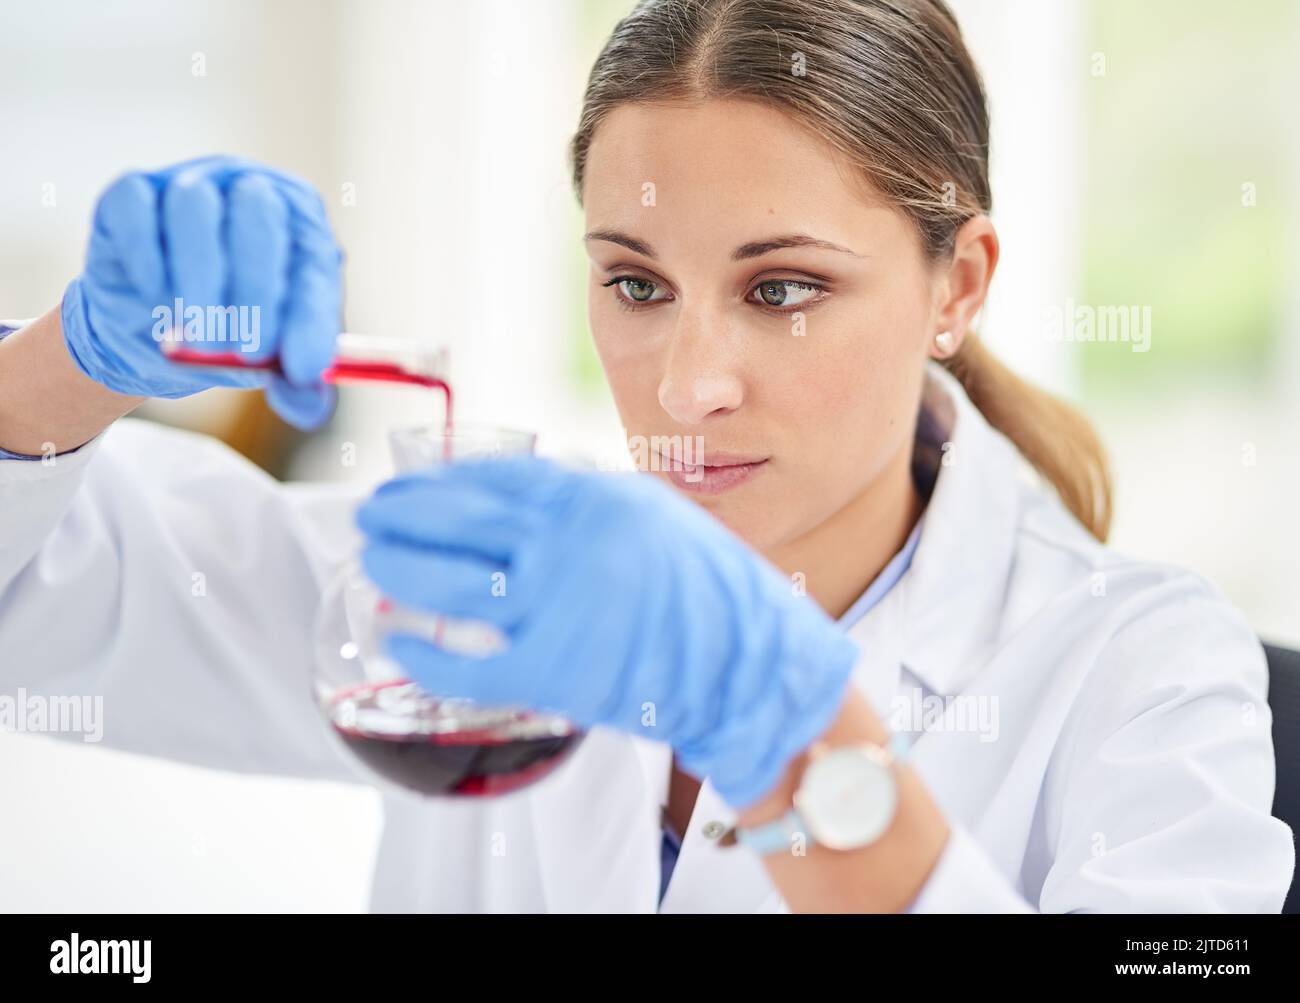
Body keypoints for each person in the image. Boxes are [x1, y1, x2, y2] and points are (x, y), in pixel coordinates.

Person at [0, 0, 1292, 913]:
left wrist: (786, 728)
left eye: (782, 290)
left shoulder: (1144, 669)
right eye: (634, 283)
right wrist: (78, 360)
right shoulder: (489, 583)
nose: (686, 385)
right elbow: (33, 611)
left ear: (958, 284)